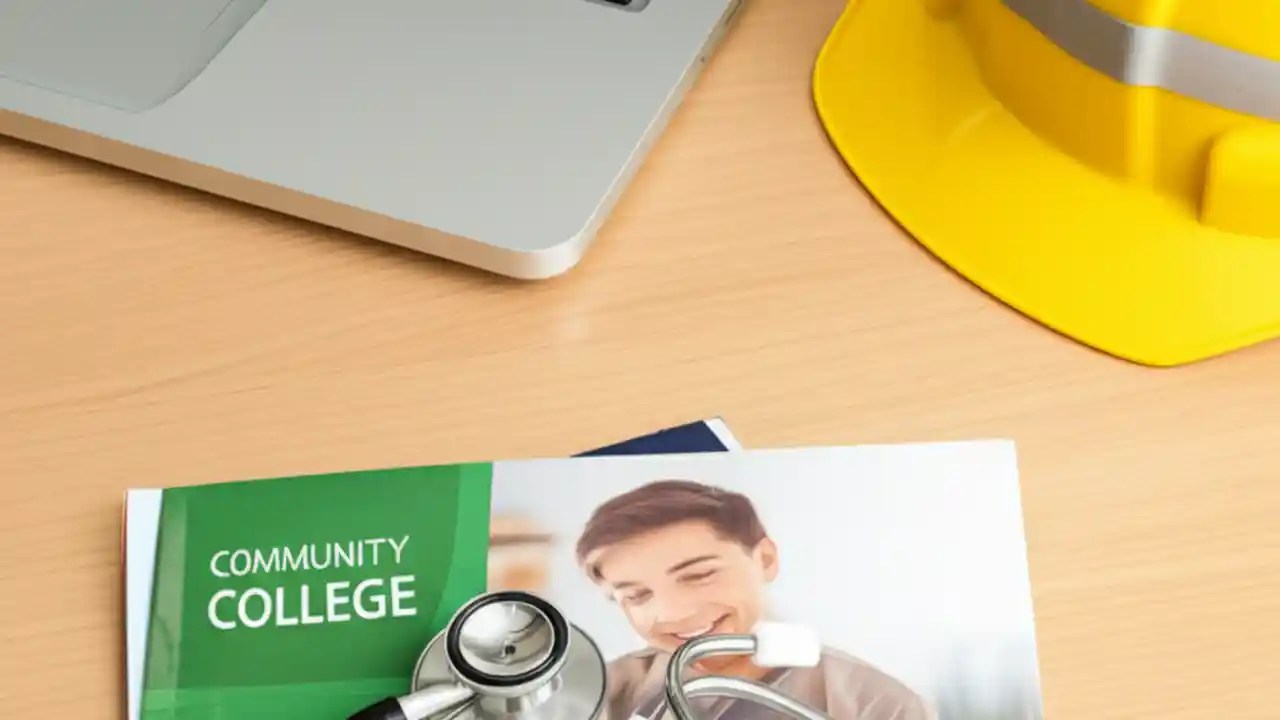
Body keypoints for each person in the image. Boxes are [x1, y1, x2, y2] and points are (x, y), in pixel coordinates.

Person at [574, 480, 934, 720]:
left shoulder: (876, 703)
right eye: (637, 595)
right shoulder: (596, 695)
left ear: (765, 559)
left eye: (699, 575)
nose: (673, 613)